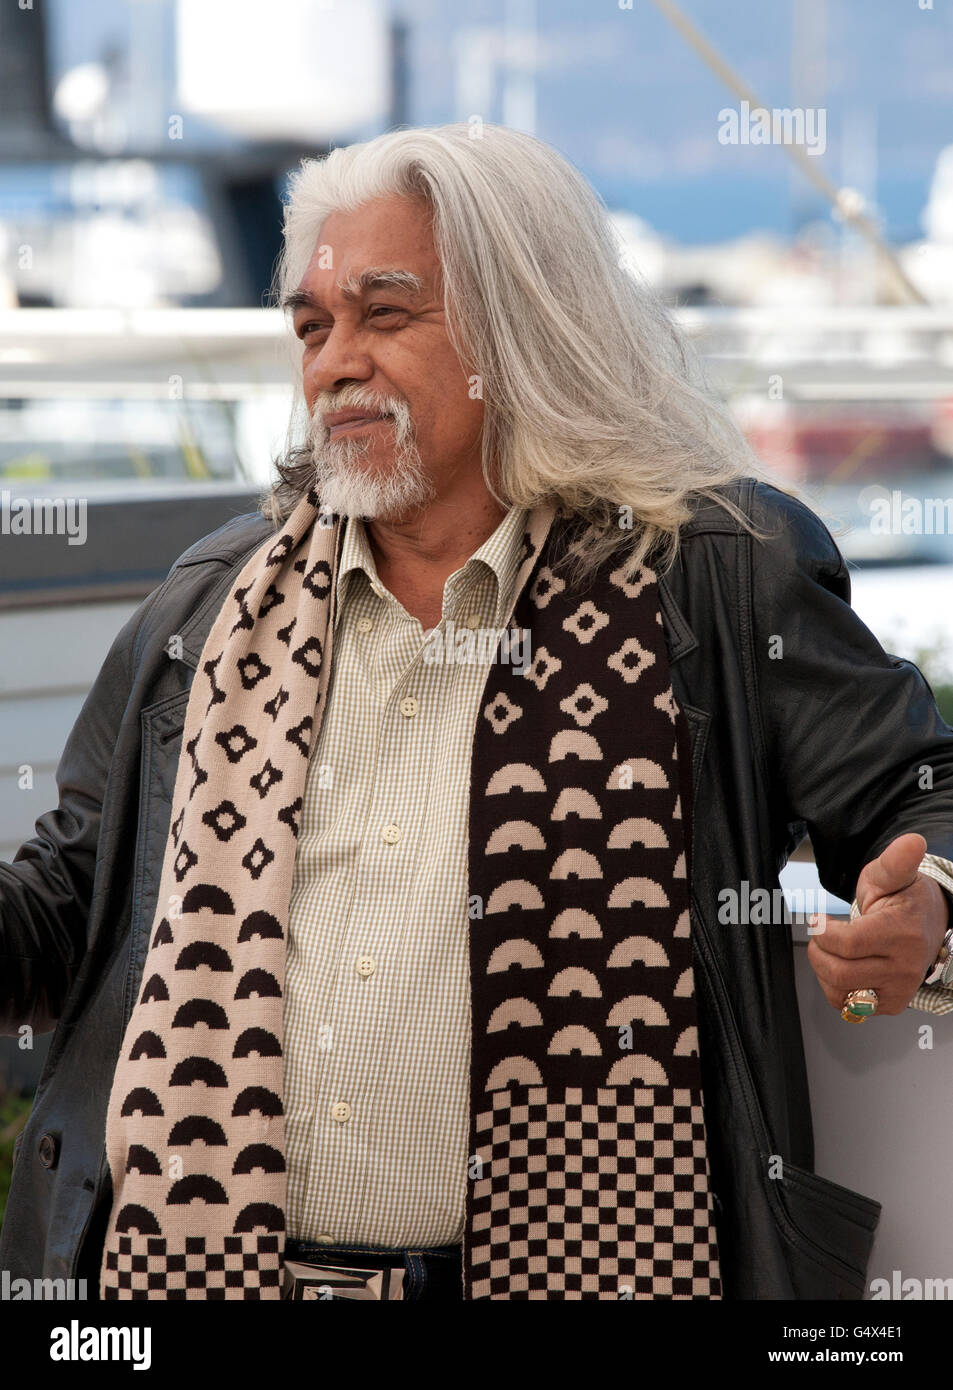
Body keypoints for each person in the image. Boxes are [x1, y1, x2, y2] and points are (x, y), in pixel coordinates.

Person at [2, 123, 952, 1302]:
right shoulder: (208, 605)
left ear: (522, 325)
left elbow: (925, 797)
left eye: (384, 314)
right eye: (312, 325)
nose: (332, 364)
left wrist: (924, 907)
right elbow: (63, 903)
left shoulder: (713, 573)